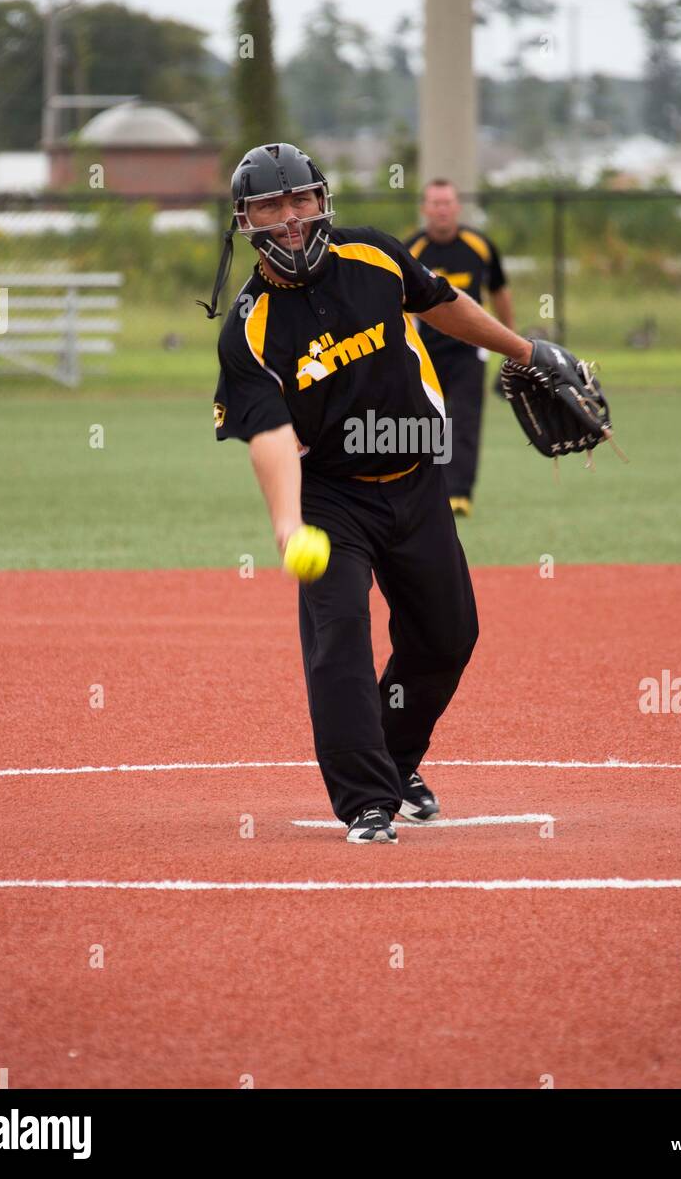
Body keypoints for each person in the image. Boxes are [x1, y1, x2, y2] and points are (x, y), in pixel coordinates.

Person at [204, 142, 537, 844]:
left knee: (448, 636)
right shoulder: (249, 327)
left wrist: (524, 352)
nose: (291, 218)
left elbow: (443, 305)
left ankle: (393, 760)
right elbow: (267, 435)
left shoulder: (375, 256)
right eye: (271, 204)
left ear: (323, 201)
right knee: (341, 639)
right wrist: (289, 524)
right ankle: (366, 802)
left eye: (302, 199)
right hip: (330, 496)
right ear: (245, 220)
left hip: (417, 478)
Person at [405, 178, 516, 516]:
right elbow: (399, 302)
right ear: (424, 208)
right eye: (435, 203)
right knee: (424, 420)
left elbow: (499, 291)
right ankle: (423, 490)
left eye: (447, 203)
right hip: (426, 349)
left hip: (470, 350)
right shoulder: (411, 250)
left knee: (465, 419)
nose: (441, 209)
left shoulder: (479, 245)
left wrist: (510, 341)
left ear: (457, 207)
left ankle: (459, 494)